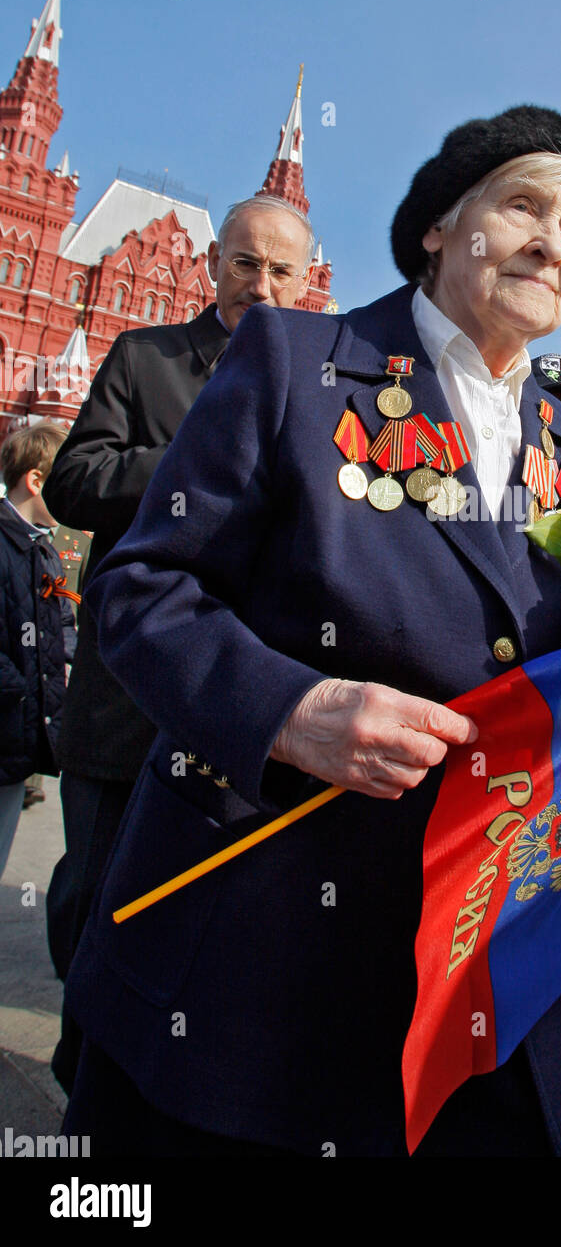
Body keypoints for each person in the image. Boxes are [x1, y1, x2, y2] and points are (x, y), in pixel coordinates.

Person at [60, 105, 561, 1157]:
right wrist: (288, 708)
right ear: (437, 225)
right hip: (264, 935)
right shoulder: (295, 359)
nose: (551, 241)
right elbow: (142, 589)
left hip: (482, 954)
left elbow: (544, 666)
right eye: (526, 203)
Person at [43, 195, 315, 1090]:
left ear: (306, 282)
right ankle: (81, 1049)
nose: (261, 285)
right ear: (211, 265)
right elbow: (75, 480)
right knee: (90, 891)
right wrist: (191, 461)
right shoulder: (146, 357)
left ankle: (132, 1070)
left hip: (240, 699)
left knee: (186, 909)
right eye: (246, 264)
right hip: (128, 693)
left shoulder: (314, 387)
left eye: (282, 270)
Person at [0, 422, 76, 876]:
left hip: (17, 737)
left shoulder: (44, 552)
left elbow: (62, 628)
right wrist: (22, 691)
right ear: (36, 480)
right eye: (64, 483)